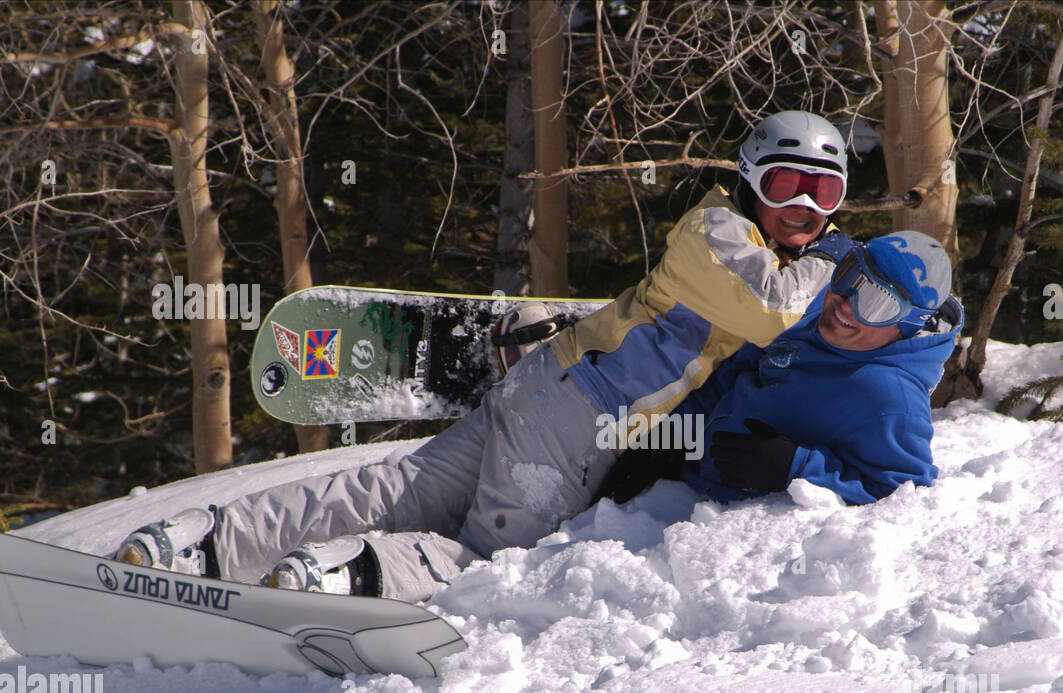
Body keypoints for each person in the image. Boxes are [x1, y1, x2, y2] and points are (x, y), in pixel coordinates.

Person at [115, 110, 858, 602]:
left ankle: (203, 542)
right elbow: (776, 307)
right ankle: (337, 576)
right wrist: (842, 257)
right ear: (750, 178)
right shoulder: (721, 232)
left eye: (825, 191)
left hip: (548, 392)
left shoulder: (755, 243)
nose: (806, 207)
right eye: (788, 183)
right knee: (482, 557)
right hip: (577, 421)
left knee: (391, 488)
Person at [597, 231, 963, 506]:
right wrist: (671, 442)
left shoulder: (888, 395)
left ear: (909, 325)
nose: (846, 304)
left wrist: (795, 466)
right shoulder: (817, 315)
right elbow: (734, 373)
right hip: (688, 488)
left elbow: (904, 494)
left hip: (746, 546)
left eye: (877, 303)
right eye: (851, 275)